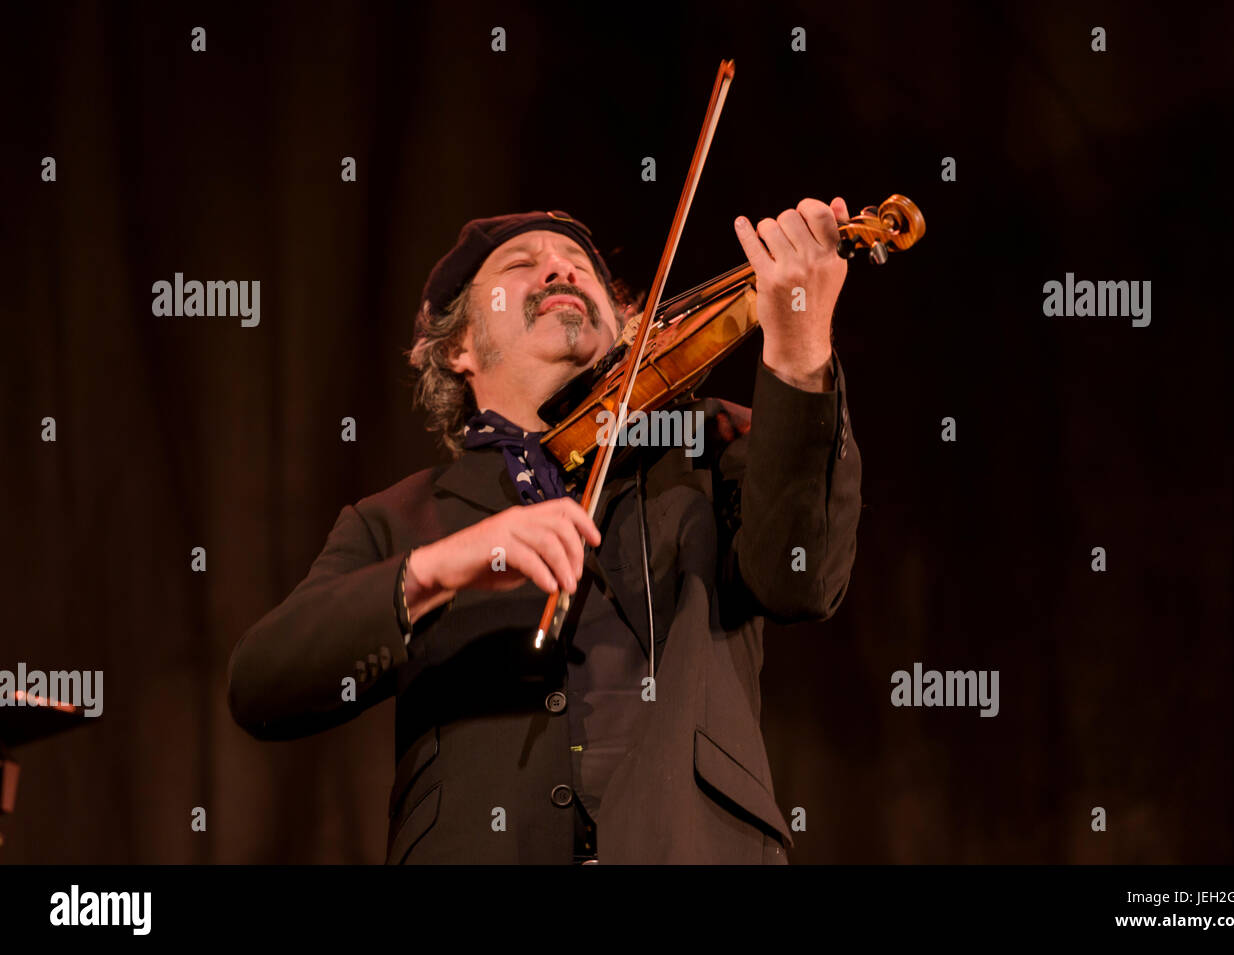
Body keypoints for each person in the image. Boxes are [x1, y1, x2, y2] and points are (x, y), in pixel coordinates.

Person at [227, 200, 863, 864]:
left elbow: (803, 580)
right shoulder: (397, 517)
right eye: (521, 264)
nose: (560, 268)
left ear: (622, 327)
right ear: (458, 347)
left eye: (579, 264)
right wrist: (434, 570)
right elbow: (262, 685)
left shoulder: (706, 449)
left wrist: (798, 354)